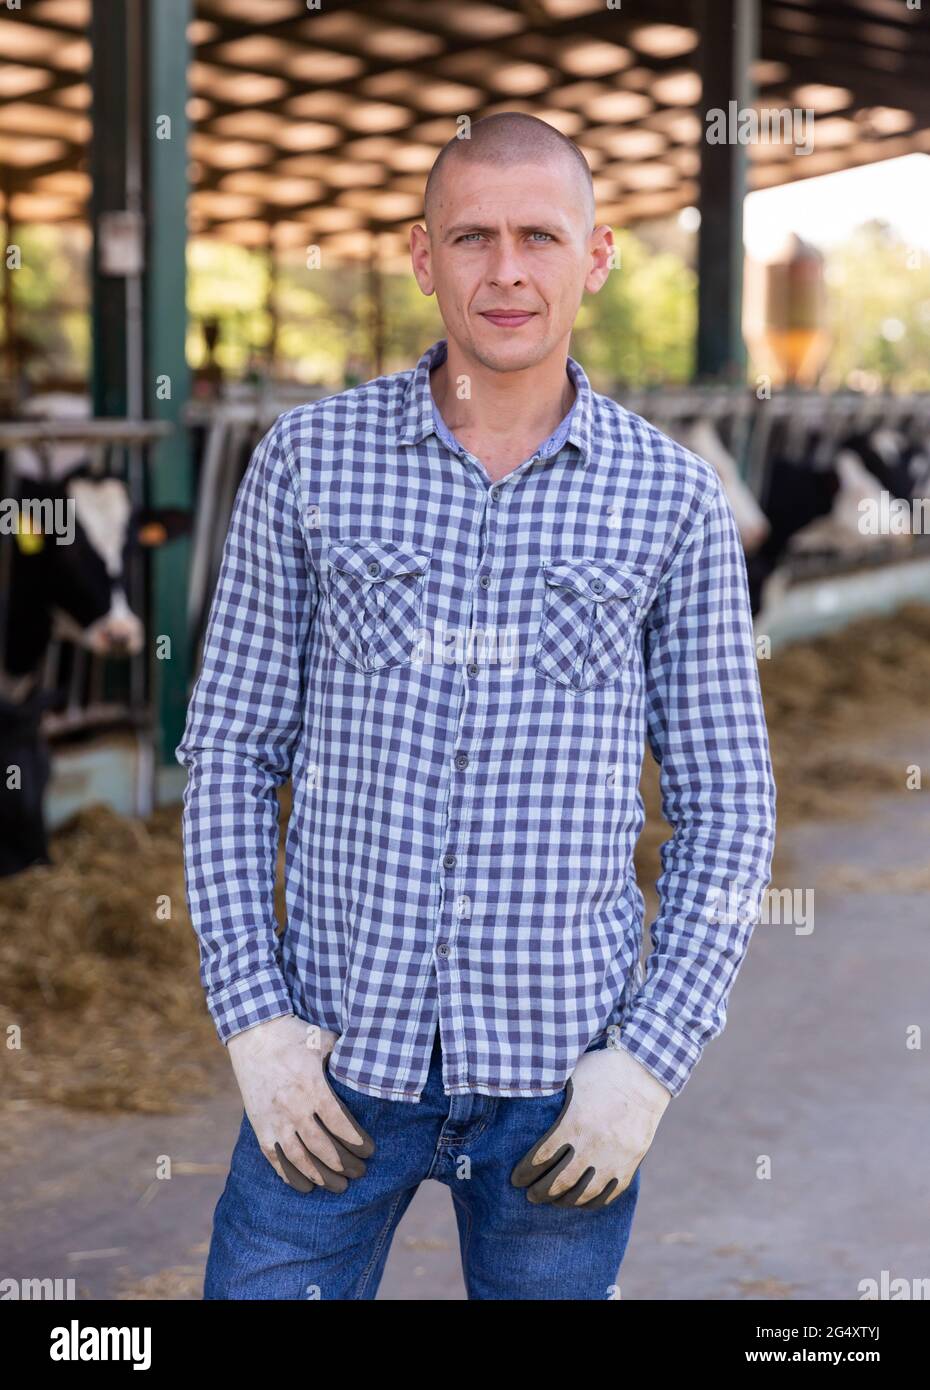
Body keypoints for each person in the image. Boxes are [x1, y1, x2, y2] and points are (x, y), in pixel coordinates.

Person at [176, 112, 777, 1301]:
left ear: (595, 256)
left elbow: (730, 803)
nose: (506, 270)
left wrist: (649, 1064)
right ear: (422, 254)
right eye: (473, 237)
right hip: (337, 1066)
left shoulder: (673, 501)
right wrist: (254, 1020)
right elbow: (230, 753)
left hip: (560, 1086)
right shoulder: (306, 463)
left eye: (540, 238)